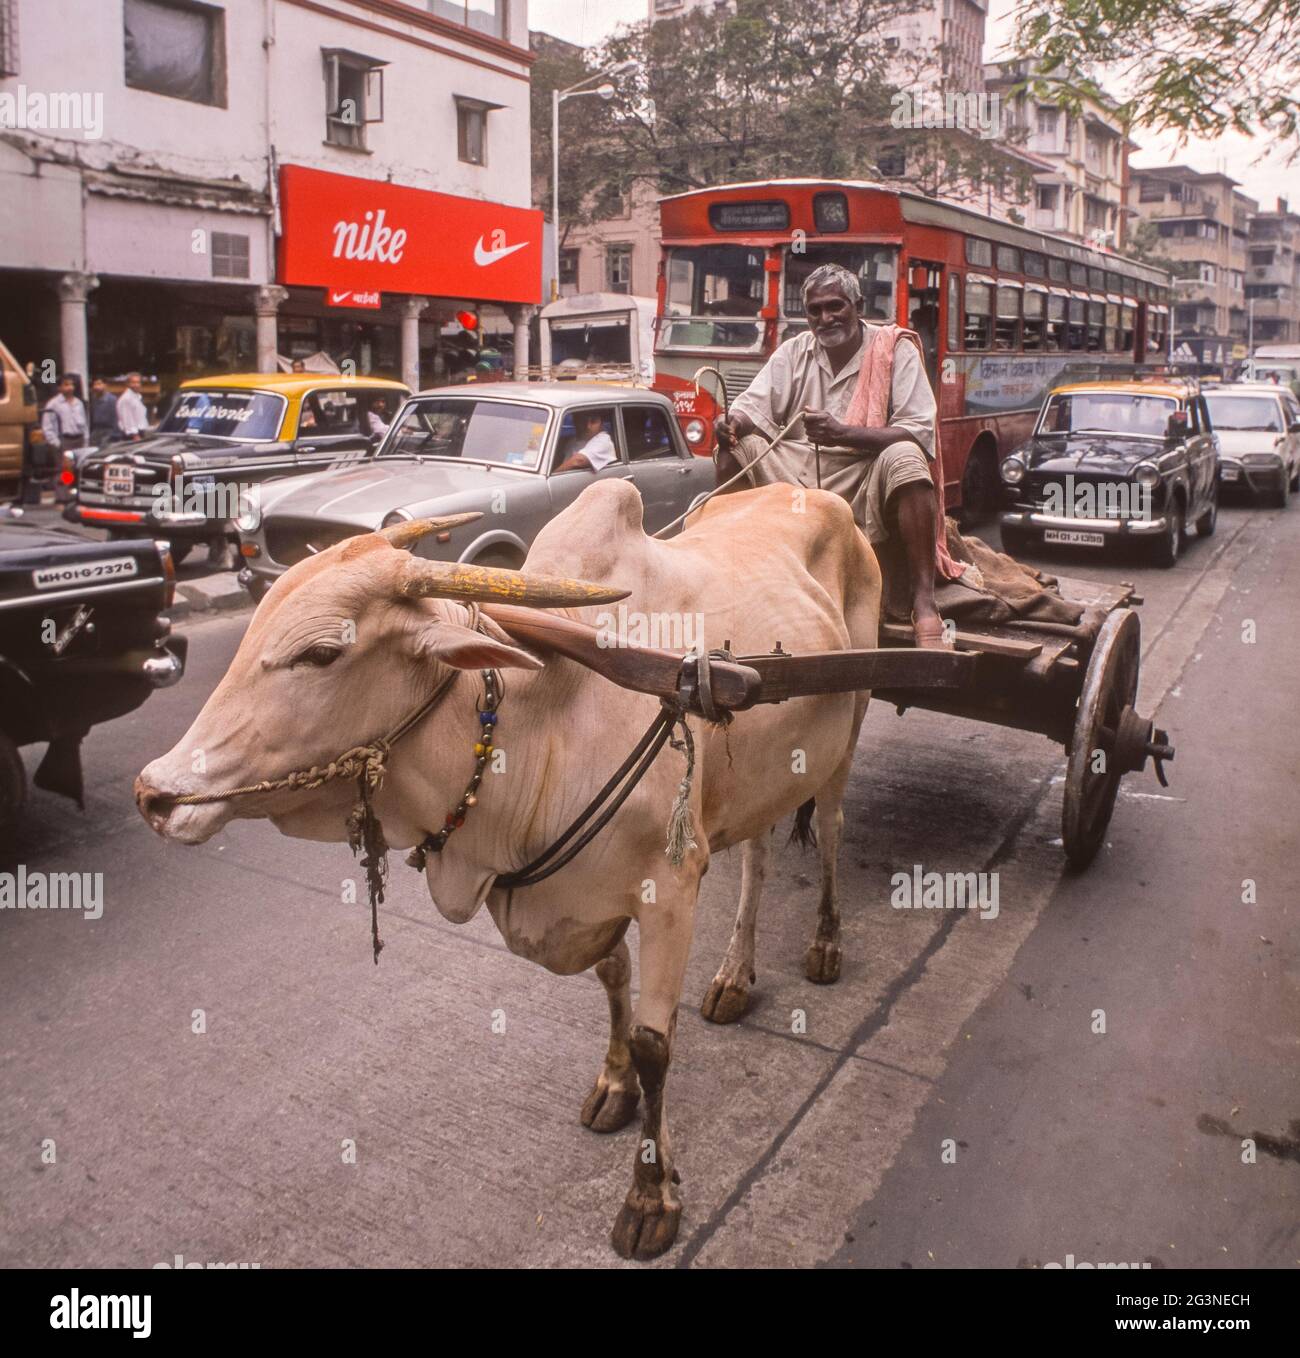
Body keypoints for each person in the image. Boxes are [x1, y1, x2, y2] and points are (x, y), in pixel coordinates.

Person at [714, 262, 955, 648]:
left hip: (863, 475)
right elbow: (750, 408)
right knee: (733, 448)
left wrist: (844, 434)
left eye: (835, 306)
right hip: (799, 473)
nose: (825, 318)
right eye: (815, 310)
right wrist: (732, 423)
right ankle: (730, 571)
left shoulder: (895, 349)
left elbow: (919, 431)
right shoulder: (794, 352)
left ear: (858, 305)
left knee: (907, 456)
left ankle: (923, 602)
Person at [116, 371, 149, 440]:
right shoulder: (126, 398)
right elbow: (128, 419)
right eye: (133, 382)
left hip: (140, 432)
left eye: (138, 382)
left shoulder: (137, 397)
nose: (136, 385)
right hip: (132, 435)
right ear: (128, 383)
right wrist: (135, 436)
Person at [88, 377, 119, 445]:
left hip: (108, 431)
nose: (96, 387)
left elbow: (115, 418)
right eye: (95, 384)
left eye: (99, 384)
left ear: (105, 385)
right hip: (96, 431)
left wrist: (114, 434)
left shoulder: (112, 399)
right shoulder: (93, 400)